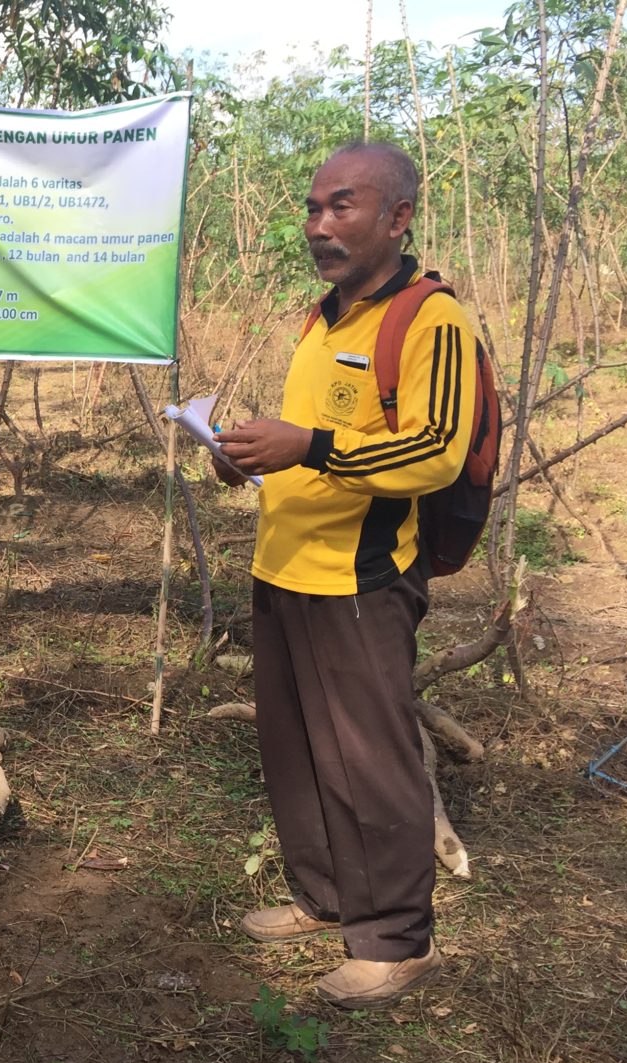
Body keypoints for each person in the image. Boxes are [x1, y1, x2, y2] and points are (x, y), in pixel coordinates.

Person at [214, 142, 475, 1010]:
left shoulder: (429, 320)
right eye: (314, 208)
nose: (319, 226)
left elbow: (436, 451)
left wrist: (311, 446)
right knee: (293, 748)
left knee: (370, 757)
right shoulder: (322, 320)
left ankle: (397, 937)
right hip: (284, 563)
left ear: (397, 218)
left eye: (343, 207)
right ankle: (323, 898)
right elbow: (305, 440)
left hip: (362, 576)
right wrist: (250, 457)